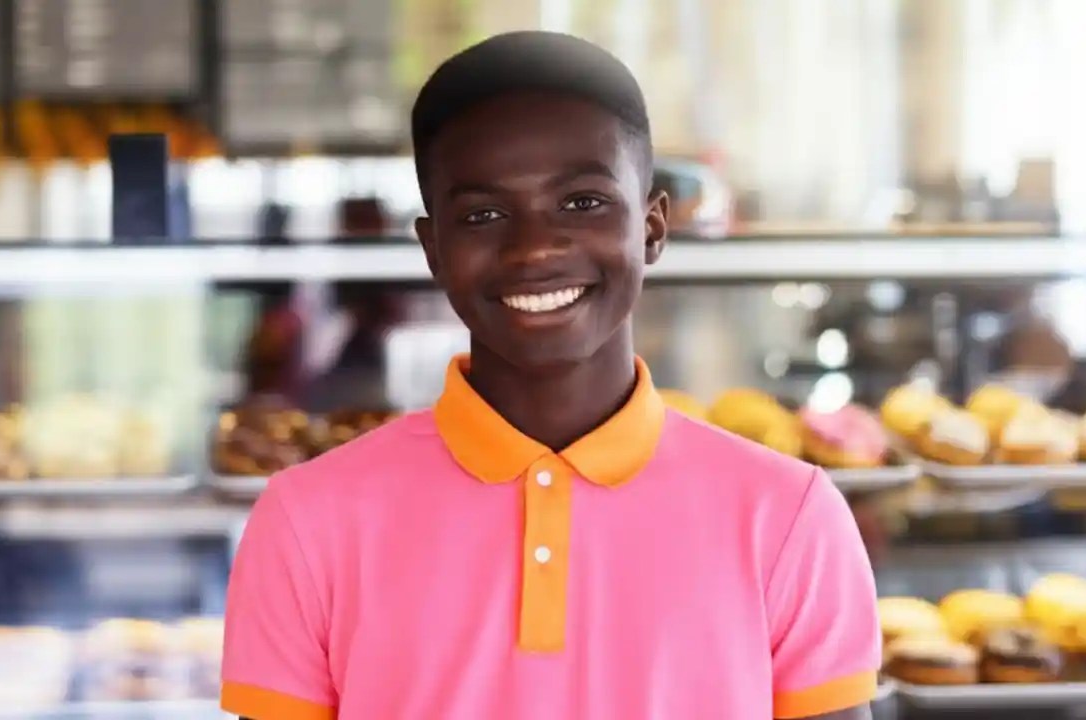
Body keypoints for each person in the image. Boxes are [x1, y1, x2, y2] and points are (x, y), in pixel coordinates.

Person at [220, 32, 879, 720]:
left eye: (583, 202)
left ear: (652, 226)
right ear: (433, 249)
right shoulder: (307, 520)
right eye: (483, 215)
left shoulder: (789, 515)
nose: (534, 246)